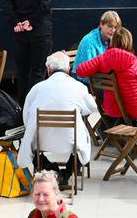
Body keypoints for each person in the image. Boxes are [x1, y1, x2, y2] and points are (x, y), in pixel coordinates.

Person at [75, 26, 137, 157]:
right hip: (136, 110)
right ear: (128, 42)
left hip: (113, 109)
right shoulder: (136, 62)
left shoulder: (103, 58)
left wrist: (100, 71)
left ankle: (134, 140)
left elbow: (80, 70)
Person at [18, 52, 99, 188]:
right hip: (71, 141)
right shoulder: (79, 87)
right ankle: (67, 174)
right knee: (83, 142)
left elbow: (26, 117)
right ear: (68, 70)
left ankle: (53, 169)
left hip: (42, 141)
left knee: (29, 142)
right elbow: (92, 108)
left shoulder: (36, 88)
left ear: (48, 70)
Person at [3, 0, 56, 104]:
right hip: (40, 30)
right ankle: (36, 106)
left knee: (22, 71)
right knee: (38, 71)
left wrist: (18, 22)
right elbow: (46, 4)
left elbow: (7, 2)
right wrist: (31, 22)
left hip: (20, 32)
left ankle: (22, 106)